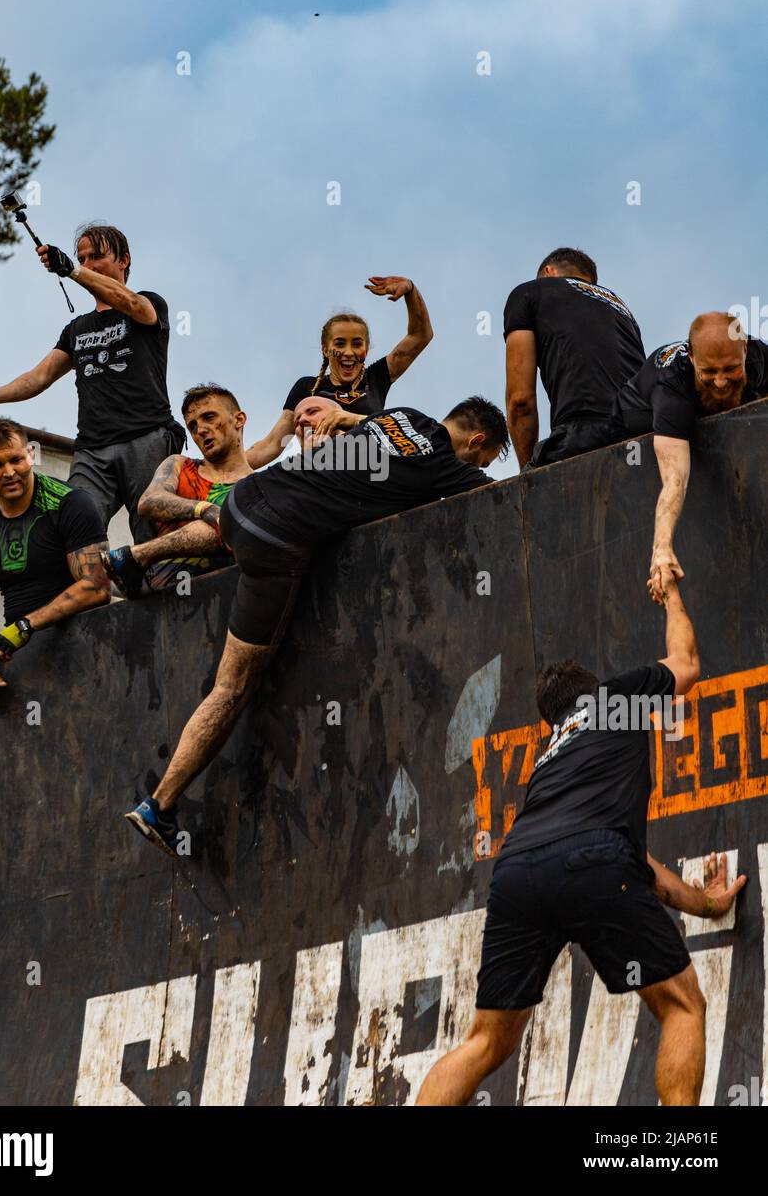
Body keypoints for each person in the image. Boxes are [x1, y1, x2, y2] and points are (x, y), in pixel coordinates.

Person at [416, 566, 747, 1107]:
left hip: (518, 871)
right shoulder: (615, 697)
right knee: (683, 1006)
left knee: (484, 1040)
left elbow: (634, 864)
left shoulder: (547, 763)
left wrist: (703, 905)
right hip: (592, 862)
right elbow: (686, 663)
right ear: (590, 691)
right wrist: (672, 594)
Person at [125, 395, 510, 855]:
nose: (476, 463)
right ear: (476, 441)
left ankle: (132, 558)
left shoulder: (403, 415)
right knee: (234, 685)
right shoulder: (447, 466)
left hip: (240, 504)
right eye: (481, 456)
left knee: (233, 553)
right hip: (276, 538)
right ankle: (160, 804)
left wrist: (341, 418)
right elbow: (504, 496)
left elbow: (362, 420)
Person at [0, 223, 184, 543]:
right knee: (76, 523)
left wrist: (72, 270)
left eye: (97, 256)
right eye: (82, 258)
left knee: (151, 522)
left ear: (124, 260)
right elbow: (38, 378)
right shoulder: (77, 329)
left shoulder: (148, 303)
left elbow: (132, 304)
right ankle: (95, 587)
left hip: (147, 434)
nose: (89, 263)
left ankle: (155, 588)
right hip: (93, 448)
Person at [0, 417, 110, 711]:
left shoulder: (71, 503)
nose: (10, 472)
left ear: (31, 455)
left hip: (89, 641)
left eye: (16, 460)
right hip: (23, 657)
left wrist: (26, 625)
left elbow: (97, 586)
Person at [615, 312, 768, 604]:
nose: (721, 382)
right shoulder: (672, 387)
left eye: (731, 369)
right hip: (635, 420)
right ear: (693, 356)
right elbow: (675, 478)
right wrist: (662, 549)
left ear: (745, 350)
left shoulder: (760, 358)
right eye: (710, 372)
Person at [245, 277, 434, 468]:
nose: (349, 352)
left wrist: (410, 290)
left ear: (366, 349)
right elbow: (270, 446)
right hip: (322, 478)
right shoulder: (307, 388)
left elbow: (420, 336)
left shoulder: (376, 378)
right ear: (326, 350)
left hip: (368, 476)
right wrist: (218, 471)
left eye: (357, 344)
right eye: (340, 343)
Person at [100, 383, 252, 597]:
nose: (200, 430)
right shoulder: (180, 465)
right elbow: (149, 502)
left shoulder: (257, 485)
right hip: (159, 597)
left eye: (209, 417)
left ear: (239, 419)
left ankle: (138, 555)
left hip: (222, 597)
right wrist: (205, 509)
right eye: (192, 426)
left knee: (230, 519)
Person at [504, 247, 645, 469]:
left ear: (548, 272)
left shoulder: (529, 292)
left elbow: (520, 402)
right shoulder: (622, 308)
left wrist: (528, 475)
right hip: (645, 436)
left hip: (582, 435)